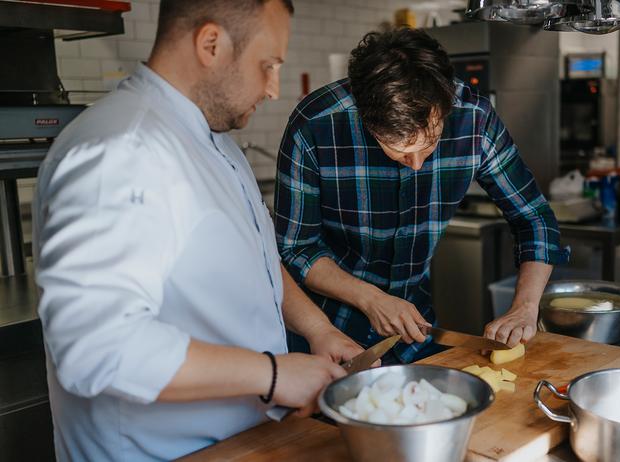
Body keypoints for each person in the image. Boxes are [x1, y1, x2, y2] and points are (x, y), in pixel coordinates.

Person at [33, 1, 363, 460]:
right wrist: (273, 374)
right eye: (267, 65)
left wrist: (317, 328)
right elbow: (97, 347)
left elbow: (257, 260)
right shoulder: (123, 152)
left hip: (240, 443)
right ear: (211, 44)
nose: (273, 89)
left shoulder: (216, 142)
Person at [274, 29, 570, 364]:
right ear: (367, 120)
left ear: (444, 107)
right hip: (327, 333)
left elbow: (534, 218)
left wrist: (525, 308)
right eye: (398, 152)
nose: (416, 165)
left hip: (416, 333)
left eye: (428, 145)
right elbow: (296, 248)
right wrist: (370, 299)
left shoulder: (475, 120)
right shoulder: (315, 125)